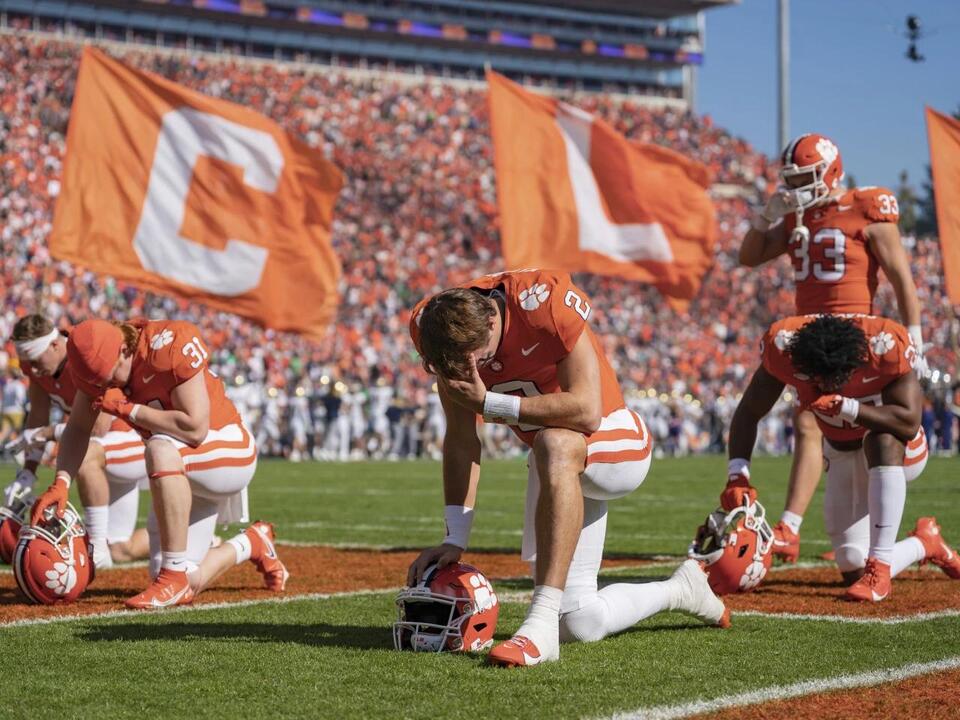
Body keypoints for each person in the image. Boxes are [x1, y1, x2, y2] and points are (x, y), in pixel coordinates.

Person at [406, 269, 729, 668]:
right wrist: (455, 536)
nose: (466, 366)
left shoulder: (543, 304)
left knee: (554, 440)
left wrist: (491, 404)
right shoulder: (432, 325)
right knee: (580, 621)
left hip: (615, 436)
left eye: (474, 354)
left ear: (493, 319)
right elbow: (460, 438)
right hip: (555, 463)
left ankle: (539, 625)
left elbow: (586, 411)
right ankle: (683, 590)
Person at [739, 133, 926, 563]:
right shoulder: (796, 216)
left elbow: (900, 274)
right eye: (791, 179)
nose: (796, 187)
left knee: (828, 421)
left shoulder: (866, 205)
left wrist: (914, 334)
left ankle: (795, 524)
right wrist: (766, 215)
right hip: (809, 332)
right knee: (812, 422)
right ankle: (805, 524)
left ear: (831, 170)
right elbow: (748, 256)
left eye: (805, 177)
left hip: (858, 331)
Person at [31, 318, 288, 609]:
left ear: (125, 349)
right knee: (182, 578)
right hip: (185, 465)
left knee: (159, 449)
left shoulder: (167, 344)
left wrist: (130, 410)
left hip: (227, 448)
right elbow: (78, 427)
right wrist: (61, 482)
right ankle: (252, 542)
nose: (109, 384)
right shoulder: (98, 366)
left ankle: (174, 575)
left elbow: (194, 428)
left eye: (111, 373)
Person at [721, 313, 958, 601]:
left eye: (832, 379)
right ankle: (925, 542)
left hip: (899, 449)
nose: (824, 386)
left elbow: (907, 422)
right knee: (850, 562)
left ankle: (880, 569)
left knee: (880, 438)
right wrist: (737, 475)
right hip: (841, 452)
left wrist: (847, 407)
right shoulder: (783, 346)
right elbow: (748, 412)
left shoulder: (883, 345)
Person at [7, 314, 148, 568]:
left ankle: (95, 547)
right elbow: (38, 415)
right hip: (106, 453)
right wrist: (28, 471)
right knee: (121, 549)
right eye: (29, 363)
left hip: (133, 438)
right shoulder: (36, 367)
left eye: (37, 361)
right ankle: (199, 540)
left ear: (55, 345)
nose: (34, 369)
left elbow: (99, 427)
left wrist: (48, 433)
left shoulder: (86, 352)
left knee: (86, 456)